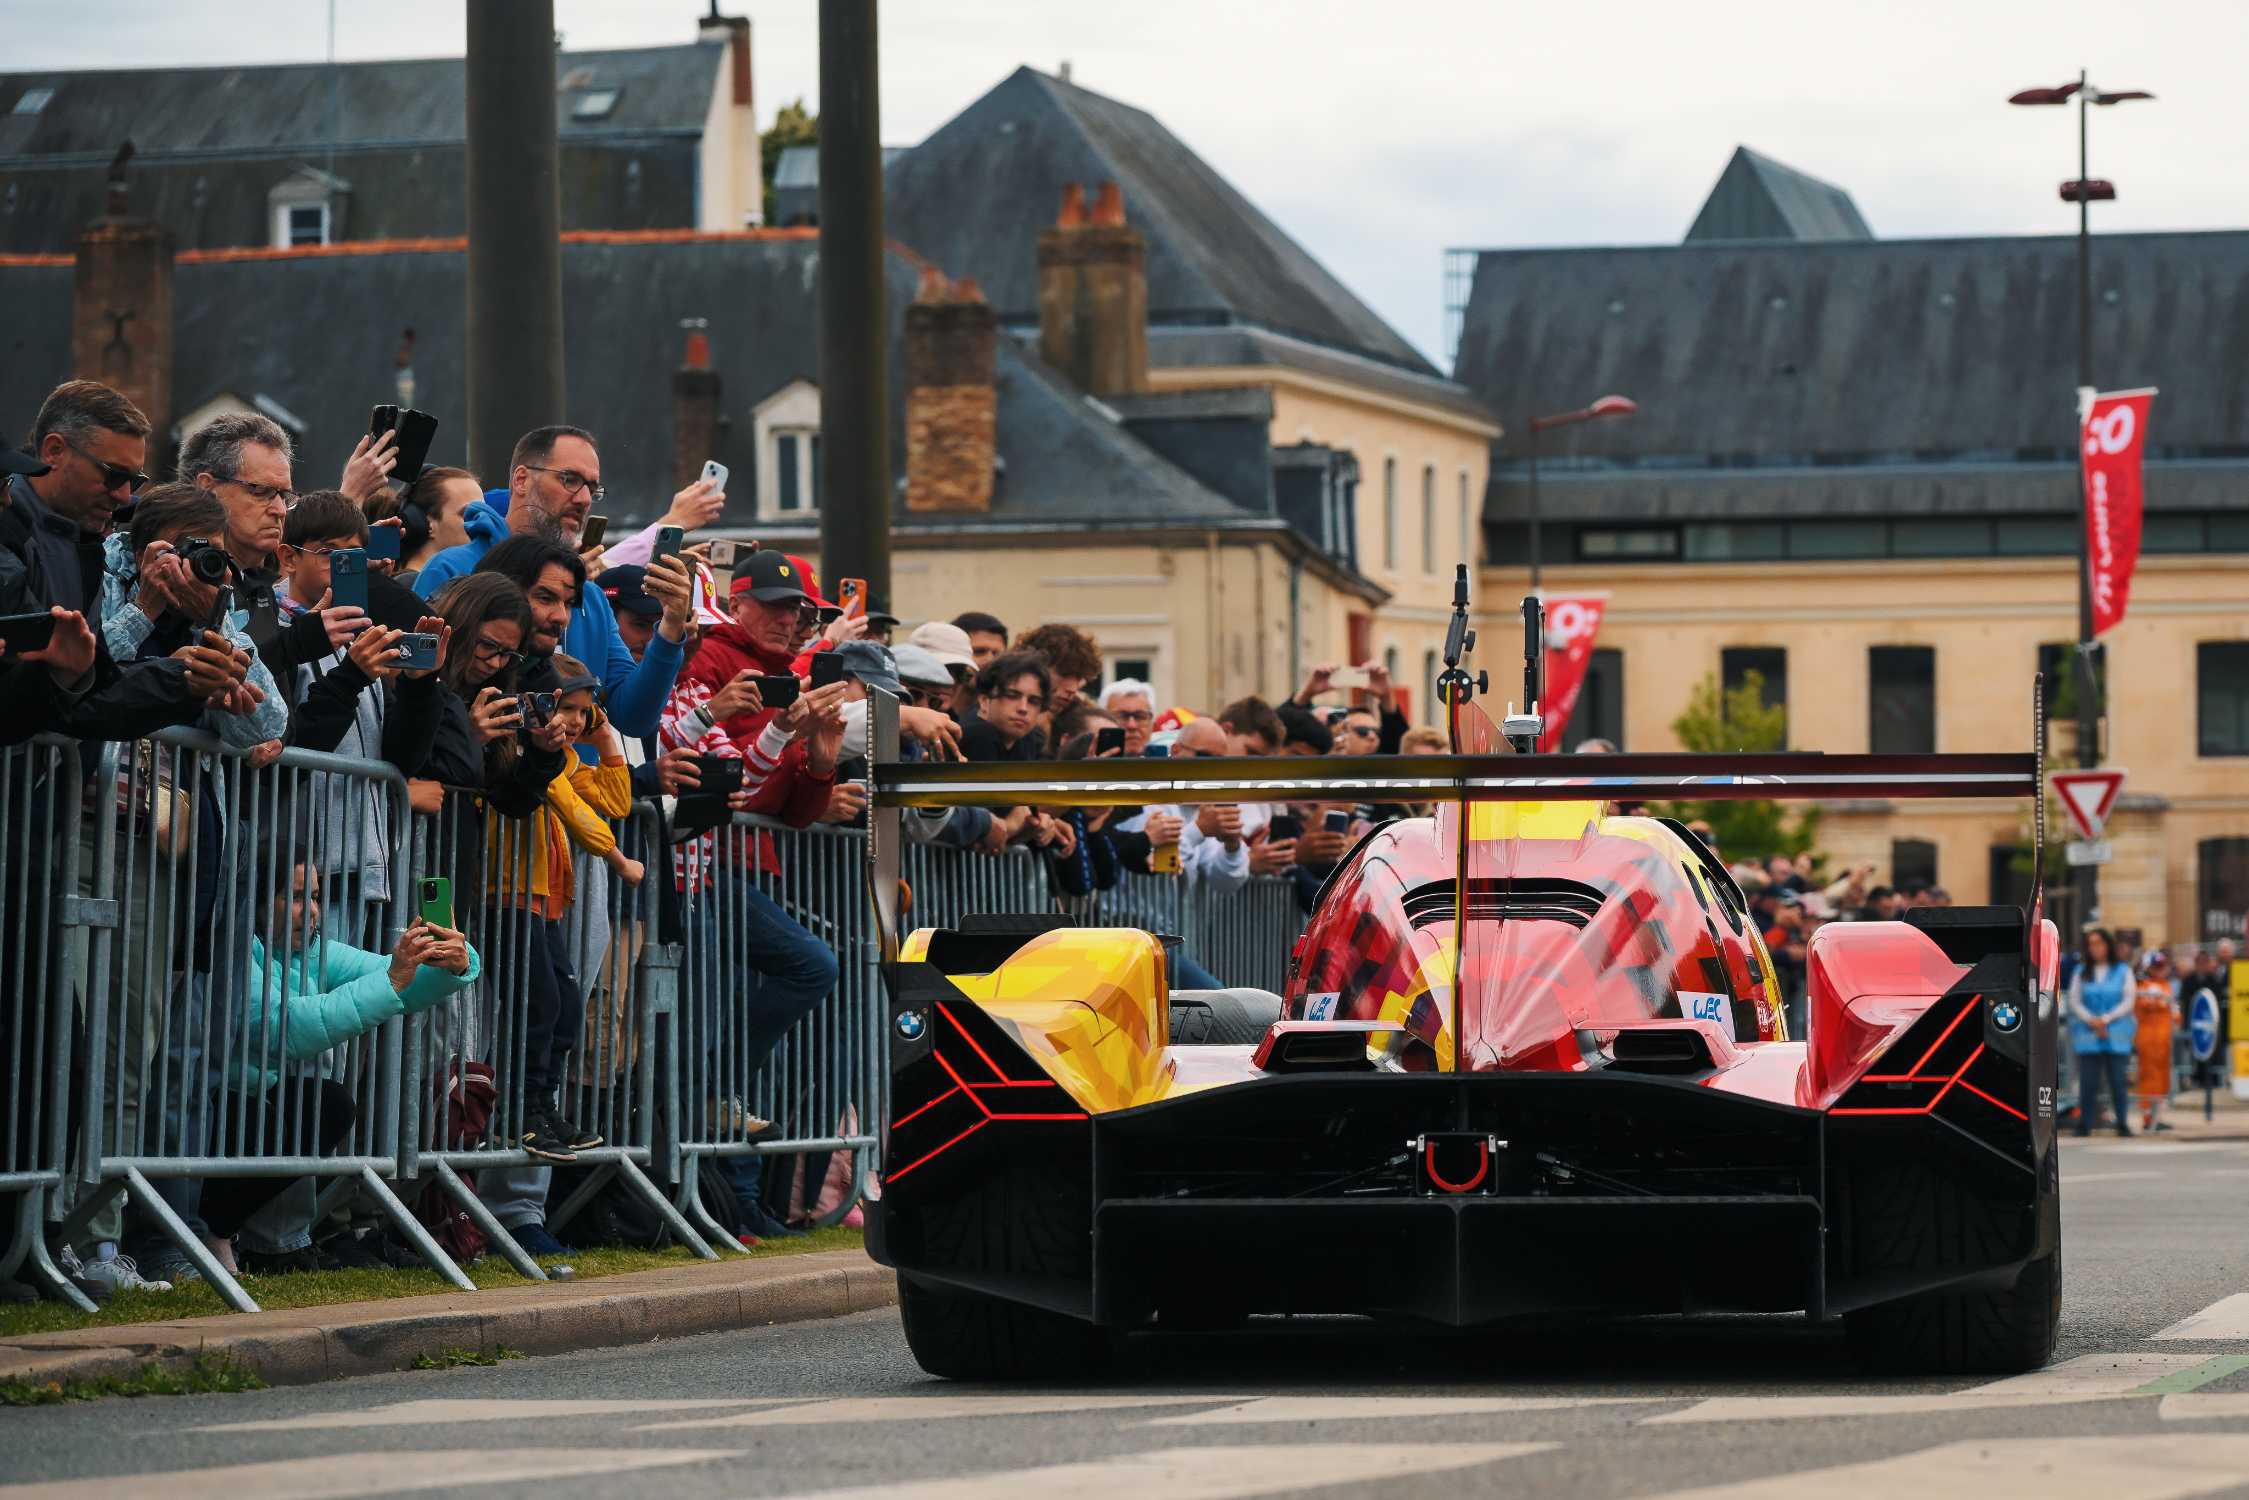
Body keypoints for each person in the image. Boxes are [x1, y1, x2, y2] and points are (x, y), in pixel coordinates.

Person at [206, 855, 477, 1267]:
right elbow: (286, 1030)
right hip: (210, 1111)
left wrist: (455, 961)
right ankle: (211, 1232)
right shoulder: (237, 950)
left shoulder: (318, 950)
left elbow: (398, 978)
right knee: (308, 1104)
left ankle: (238, 1235)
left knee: (326, 1104)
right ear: (257, 903)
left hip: (251, 1109)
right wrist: (392, 981)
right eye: (296, 897)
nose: (312, 909)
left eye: (314, 896)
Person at [412, 427, 696, 737]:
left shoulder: (591, 596)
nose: (585, 499)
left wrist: (670, 628)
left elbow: (634, 717)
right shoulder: (454, 569)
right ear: (521, 479)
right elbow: (418, 688)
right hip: (478, 775)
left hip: (573, 782)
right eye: (569, 480)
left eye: (592, 488)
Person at [2068, 927, 2135, 1138]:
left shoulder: (2123, 970)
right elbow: (2074, 1000)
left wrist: (2105, 1020)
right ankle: (2084, 1123)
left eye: (2098, 943)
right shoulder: (2081, 972)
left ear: (2108, 945)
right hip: (2089, 1033)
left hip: (2115, 1032)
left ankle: (2122, 1122)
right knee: (2088, 1081)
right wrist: (2092, 1020)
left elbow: (2128, 1000)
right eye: (2091, 944)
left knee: (2117, 1080)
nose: (2094, 948)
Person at [365, 465, 481, 584]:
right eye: (469, 513)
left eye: (487, 513)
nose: (483, 521)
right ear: (427, 523)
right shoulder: (412, 586)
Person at [2134, 950, 2180, 1133]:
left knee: (2162, 1080)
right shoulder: (2144, 986)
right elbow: (2147, 1005)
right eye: (2157, 966)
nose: (2161, 969)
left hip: (2164, 1041)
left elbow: (2175, 1013)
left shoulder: (2166, 986)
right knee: (2148, 1078)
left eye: (2163, 966)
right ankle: (2147, 1117)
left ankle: (2157, 1116)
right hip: (2148, 1040)